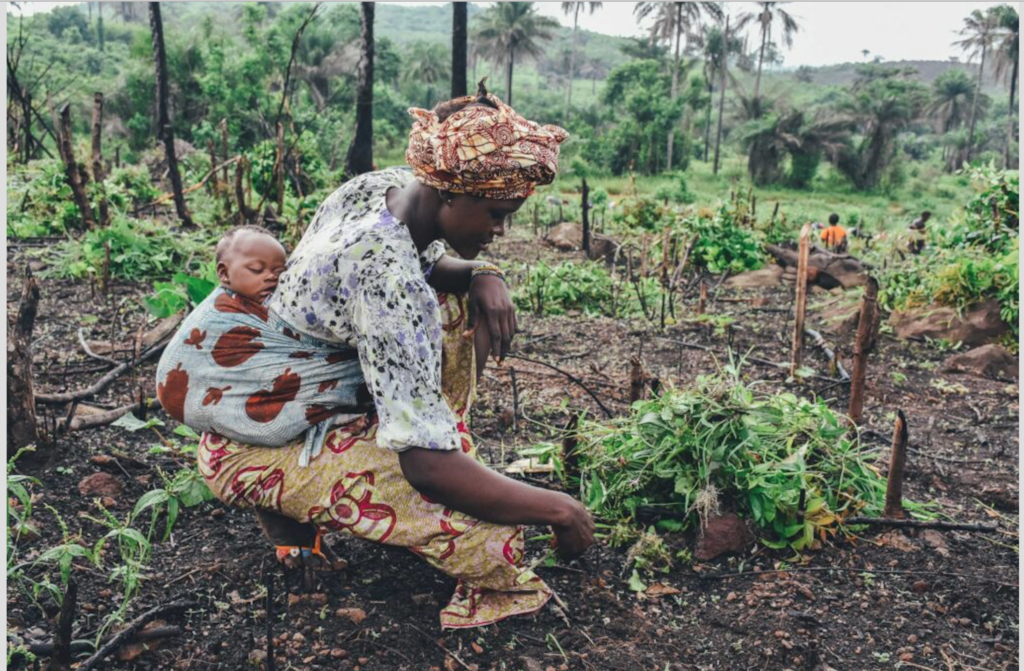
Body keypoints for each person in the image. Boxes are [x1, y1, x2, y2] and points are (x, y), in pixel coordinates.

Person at [192, 82, 596, 629]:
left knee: (454, 305)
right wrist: (559, 509)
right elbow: (426, 468)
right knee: (495, 540)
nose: (501, 231)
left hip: (285, 398)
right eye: (497, 214)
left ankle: (406, 444)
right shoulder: (384, 277)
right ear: (450, 193)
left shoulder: (382, 190)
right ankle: (292, 500)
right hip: (250, 445)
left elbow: (428, 265)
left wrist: (482, 272)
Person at [155, 226, 373, 465]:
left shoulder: (282, 307)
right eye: (257, 270)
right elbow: (196, 362)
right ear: (224, 273)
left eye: (279, 272)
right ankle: (326, 414)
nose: (271, 277)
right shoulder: (219, 316)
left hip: (267, 394)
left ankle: (326, 412)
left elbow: (295, 354)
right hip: (234, 401)